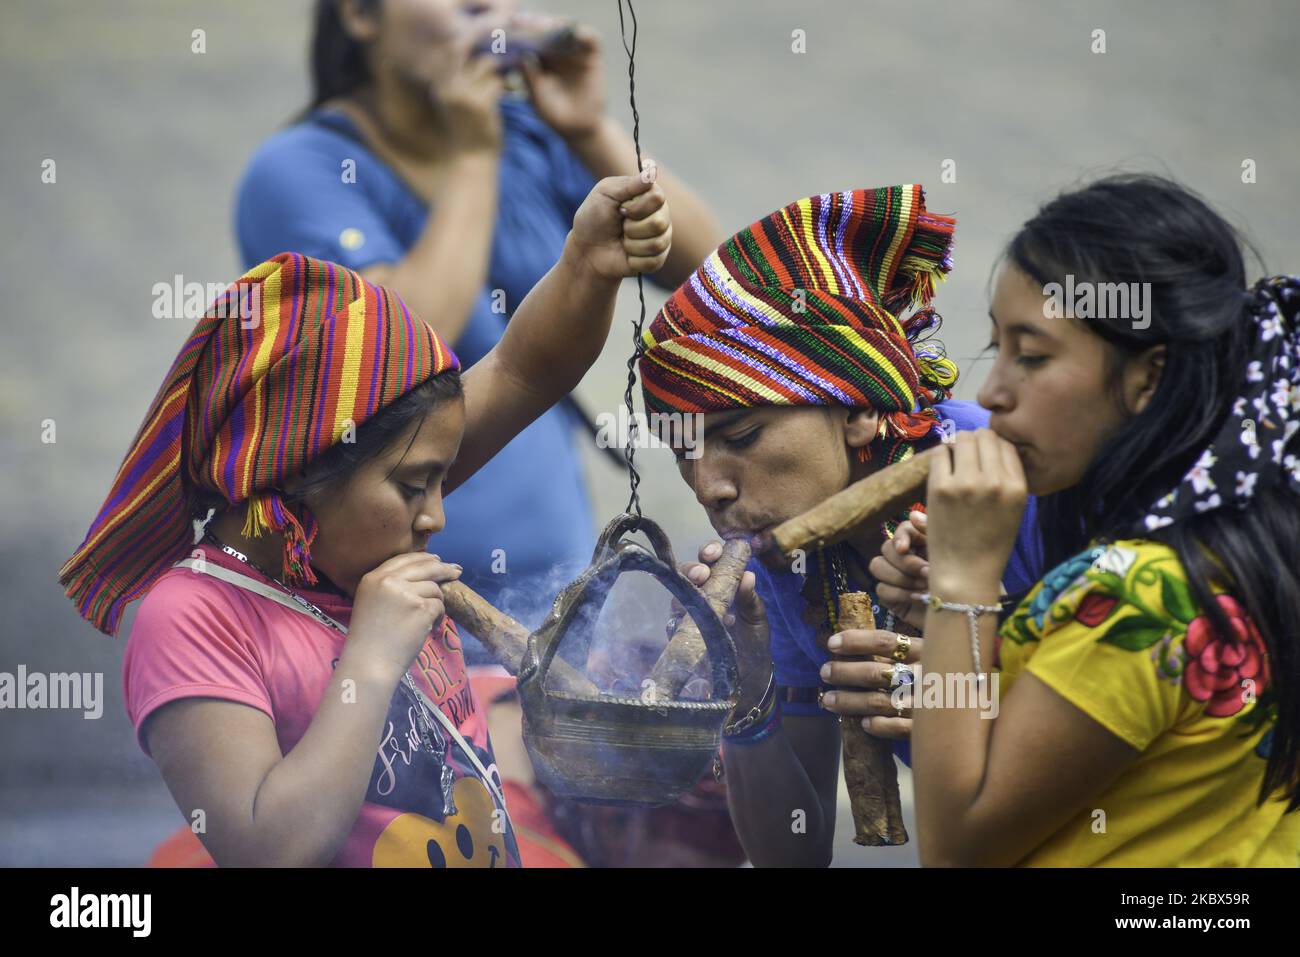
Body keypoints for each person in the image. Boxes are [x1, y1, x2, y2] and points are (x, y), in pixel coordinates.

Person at [58, 169, 672, 867]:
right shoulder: (195, 616)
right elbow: (269, 850)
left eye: (441, 479)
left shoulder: (358, 532)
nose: (437, 515)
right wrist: (371, 661)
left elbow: (525, 371)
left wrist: (587, 264)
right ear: (296, 469)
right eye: (416, 487)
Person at [235, 0, 721, 648]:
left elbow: (711, 271)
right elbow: (395, 346)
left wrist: (587, 127)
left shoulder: (526, 135)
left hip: (558, 600)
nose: (488, 13)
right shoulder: (299, 169)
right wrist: (471, 154)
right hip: (397, 605)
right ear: (359, 14)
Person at [884, 173, 1300, 866]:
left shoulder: (1136, 601)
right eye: (998, 349)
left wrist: (962, 585)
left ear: (1149, 376)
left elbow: (956, 845)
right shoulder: (1249, 550)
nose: (991, 392)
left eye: (1034, 356)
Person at [639, 185, 1044, 866]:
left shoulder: (1005, 476)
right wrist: (748, 680)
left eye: (741, 432)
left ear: (858, 409)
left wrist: (954, 693)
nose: (711, 486)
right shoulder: (778, 564)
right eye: (685, 452)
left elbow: (1137, 718)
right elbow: (794, 852)